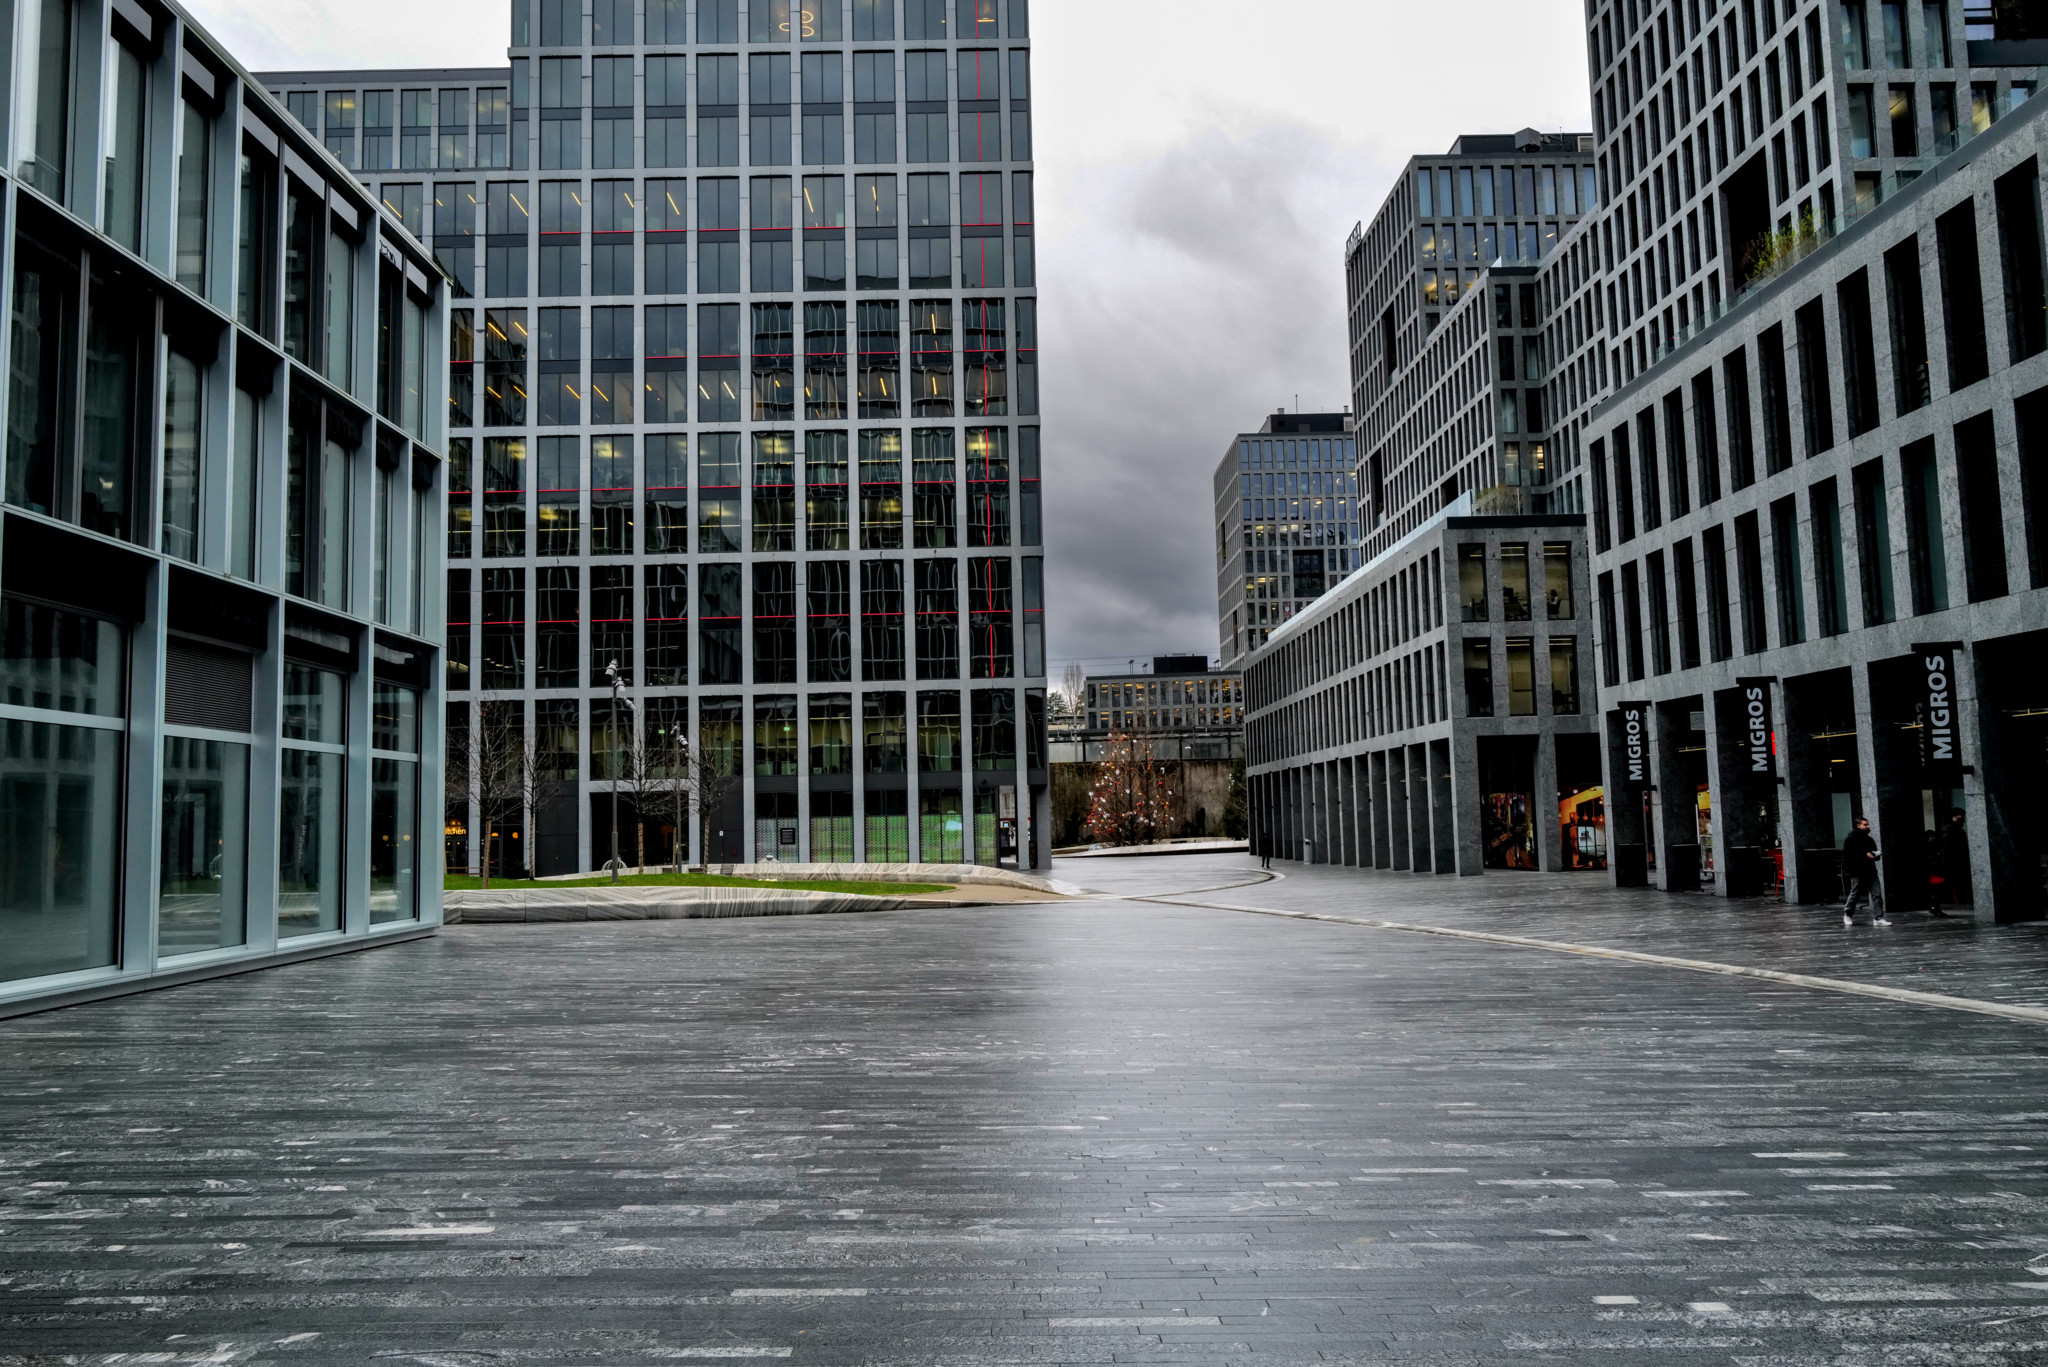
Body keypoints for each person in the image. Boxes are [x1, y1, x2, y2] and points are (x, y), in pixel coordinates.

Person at [1841, 817, 1888, 926]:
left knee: (1877, 894)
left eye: (1868, 824)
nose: (1868, 827)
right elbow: (1849, 856)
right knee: (1855, 893)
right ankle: (1847, 914)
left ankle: (1878, 917)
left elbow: (1874, 854)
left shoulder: (1869, 839)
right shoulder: (1851, 839)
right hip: (1857, 871)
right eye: (1865, 825)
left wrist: (1875, 855)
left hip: (1870, 870)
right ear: (1858, 825)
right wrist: (1865, 856)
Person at [1941, 809, 1971, 911]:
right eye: (1961, 816)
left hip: (1958, 861)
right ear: (1954, 817)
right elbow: (1947, 847)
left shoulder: (1955, 829)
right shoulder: (1950, 829)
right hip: (1954, 862)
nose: (1963, 819)